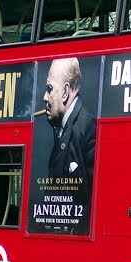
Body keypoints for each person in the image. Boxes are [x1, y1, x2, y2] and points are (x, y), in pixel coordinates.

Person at [41, 57, 96, 190]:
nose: (44, 97)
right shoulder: (62, 125)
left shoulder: (88, 128)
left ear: (65, 92)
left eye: (49, 89)